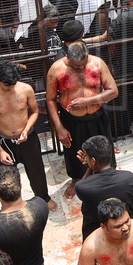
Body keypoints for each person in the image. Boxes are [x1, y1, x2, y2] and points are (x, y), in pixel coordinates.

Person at [46, 40, 119, 198]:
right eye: (75, 66)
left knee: (103, 150)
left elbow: (113, 91)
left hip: (97, 117)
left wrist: (88, 101)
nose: (79, 68)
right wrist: (59, 127)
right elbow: (50, 99)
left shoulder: (97, 64)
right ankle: (77, 179)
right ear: (68, 57)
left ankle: (107, 177)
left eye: (82, 65)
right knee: (74, 153)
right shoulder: (56, 69)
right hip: (72, 120)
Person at [0, 60, 52, 207]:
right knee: (6, 178)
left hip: (27, 137)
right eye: (6, 85)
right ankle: (11, 205)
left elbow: (35, 111)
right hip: (4, 140)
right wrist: (0, 151)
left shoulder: (26, 89)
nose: (10, 88)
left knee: (36, 171)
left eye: (12, 85)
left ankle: (44, 198)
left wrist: (26, 130)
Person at [72, 134, 133, 238]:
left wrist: (90, 168)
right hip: (125, 230)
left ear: (93, 160)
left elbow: (82, 183)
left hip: (97, 234)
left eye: (87, 157)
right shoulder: (129, 178)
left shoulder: (82, 188)